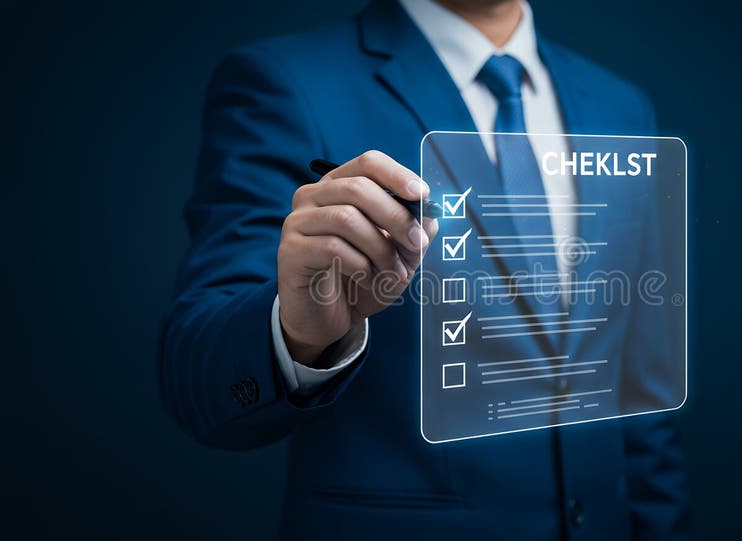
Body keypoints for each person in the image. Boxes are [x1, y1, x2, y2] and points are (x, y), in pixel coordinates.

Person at [159, 0, 689, 538]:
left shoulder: (622, 106)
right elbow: (197, 380)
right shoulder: (284, 83)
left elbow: (639, 383)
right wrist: (297, 333)